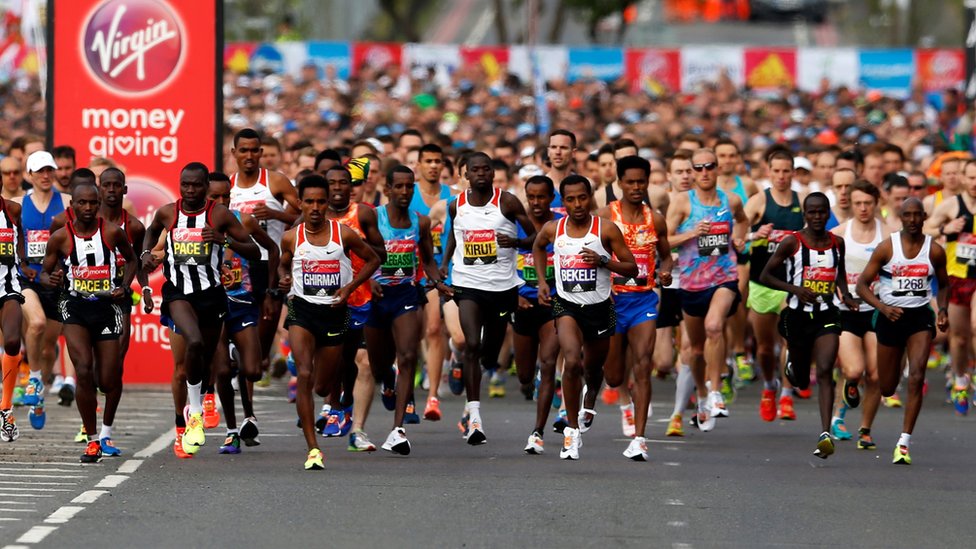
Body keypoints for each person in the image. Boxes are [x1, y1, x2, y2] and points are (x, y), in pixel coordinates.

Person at [141, 162, 261, 457]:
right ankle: (194, 411)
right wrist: (145, 253)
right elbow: (151, 231)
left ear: (206, 186)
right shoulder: (168, 212)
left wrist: (225, 240)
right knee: (192, 341)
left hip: (211, 295)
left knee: (205, 358)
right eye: (185, 185)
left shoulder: (219, 215)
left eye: (196, 185)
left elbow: (255, 252)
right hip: (178, 292)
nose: (190, 190)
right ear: (179, 184)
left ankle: (198, 402)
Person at [277, 174, 379, 470]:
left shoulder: (343, 234)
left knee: (323, 387)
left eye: (321, 201)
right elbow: (284, 261)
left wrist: (350, 287)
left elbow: (373, 260)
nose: (316, 207)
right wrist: (284, 278)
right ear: (300, 203)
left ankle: (335, 405)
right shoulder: (291, 236)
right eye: (309, 201)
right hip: (302, 312)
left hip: (335, 313)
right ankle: (313, 449)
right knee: (305, 374)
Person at [533, 175, 637, 460]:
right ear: (562, 201)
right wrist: (543, 281)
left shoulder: (606, 229)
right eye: (570, 199)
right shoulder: (554, 229)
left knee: (594, 369)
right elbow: (538, 246)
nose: (577, 204)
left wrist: (603, 261)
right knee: (572, 360)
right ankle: (572, 429)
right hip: (566, 306)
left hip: (601, 308)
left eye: (582, 198)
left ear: (590, 197)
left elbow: (633, 269)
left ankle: (590, 398)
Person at [51, 168, 151, 453]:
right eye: (105, 185)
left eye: (115, 186)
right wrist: (56, 279)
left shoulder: (130, 228)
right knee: (84, 370)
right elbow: (52, 262)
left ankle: (106, 429)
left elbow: (137, 261)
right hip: (77, 304)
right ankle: (92, 433)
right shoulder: (63, 225)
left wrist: (137, 288)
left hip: (115, 303)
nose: (110, 191)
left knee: (110, 372)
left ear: (123, 190)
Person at [442, 152, 535, 445]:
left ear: (493, 174)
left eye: (486, 169)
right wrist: (445, 265)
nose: (481, 174)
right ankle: (475, 417)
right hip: (467, 285)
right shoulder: (456, 205)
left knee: (489, 355)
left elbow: (536, 237)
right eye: (475, 170)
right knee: (472, 343)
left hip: (502, 289)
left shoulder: (506, 202)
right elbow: (454, 238)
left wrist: (518, 242)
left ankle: (465, 364)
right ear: (465, 175)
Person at [760, 192, 855, 459]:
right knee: (801, 380)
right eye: (811, 212)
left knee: (825, 369)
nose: (817, 217)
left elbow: (841, 275)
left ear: (828, 213)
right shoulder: (792, 242)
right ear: (805, 214)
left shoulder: (838, 243)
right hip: (797, 316)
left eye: (821, 212)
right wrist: (795, 289)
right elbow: (766, 275)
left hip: (827, 314)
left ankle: (825, 434)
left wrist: (845, 295)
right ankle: (792, 364)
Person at [857, 197, 949, 465]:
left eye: (916, 215)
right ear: (900, 217)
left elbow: (944, 285)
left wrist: (942, 310)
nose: (912, 220)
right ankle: (890, 375)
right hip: (889, 317)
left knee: (917, 375)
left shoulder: (935, 251)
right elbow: (862, 285)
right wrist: (882, 308)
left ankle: (904, 442)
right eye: (907, 215)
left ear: (924, 217)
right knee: (886, 386)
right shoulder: (887, 248)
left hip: (919, 317)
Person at [366, 166, 447, 455]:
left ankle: (397, 429)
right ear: (387, 189)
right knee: (378, 365)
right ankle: (388, 379)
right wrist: (366, 282)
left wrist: (440, 282)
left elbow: (428, 260)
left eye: (408, 187)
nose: (404, 192)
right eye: (398, 187)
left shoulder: (420, 222)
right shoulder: (372, 217)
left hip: (405, 294)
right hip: (375, 295)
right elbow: (355, 253)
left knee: (409, 354)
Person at [596, 156, 673, 461]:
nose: (637, 187)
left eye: (642, 181)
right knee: (614, 377)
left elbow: (667, 256)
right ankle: (624, 403)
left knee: (643, 365)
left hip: (643, 300)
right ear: (620, 183)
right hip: (613, 300)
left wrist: (665, 271)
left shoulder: (656, 220)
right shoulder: (604, 216)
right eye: (630, 181)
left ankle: (640, 438)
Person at [667, 148, 747, 432]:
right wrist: (691, 233)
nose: (703, 173)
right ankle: (701, 393)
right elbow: (664, 239)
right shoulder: (681, 202)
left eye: (708, 167)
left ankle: (715, 391)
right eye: (697, 168)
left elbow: (743, 219)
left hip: (723, 277)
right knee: (695, 350)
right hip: (691, 284)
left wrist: (740, 239)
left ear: (716, 169)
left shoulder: (731, 199)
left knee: (715, 327)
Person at [207, 173, 279, 454]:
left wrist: (272, 291)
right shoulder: (193, 225)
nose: (222, 201)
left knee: (253, 369)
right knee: (222, 370)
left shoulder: (243, 220)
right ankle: (232, 431)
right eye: (215, 197)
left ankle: (248, 411)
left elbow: (270, 249)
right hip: (212, 304)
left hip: (243, 303)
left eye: (227, 196)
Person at [229, 128, 299, 388]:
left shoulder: (275, 182)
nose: (249, 155)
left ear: (260, 152)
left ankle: (259, 364)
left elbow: (308, 217)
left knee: (261, 348)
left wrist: (277, 214)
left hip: (271, 265)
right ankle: (239, 377)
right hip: (239, 269)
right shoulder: (229, 186)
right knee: (240, 333)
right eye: (243, 150)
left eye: (254, 150)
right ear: (234, 153)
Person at [744, 150, 805, 422]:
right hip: (761, 283)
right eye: (776, 171)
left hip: (790, 284)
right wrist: (754, 235)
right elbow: (736, 238)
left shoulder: (801, 203)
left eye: (786, 171)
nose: (781, 176)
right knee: (765, 348)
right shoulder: (759, 201)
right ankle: (770, 386)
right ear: (769, 172)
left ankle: (786, 394)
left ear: (793, 173)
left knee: (790, 339)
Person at [14, 151, 73, 428]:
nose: (46, 175)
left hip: (57, 281)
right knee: (35, 324)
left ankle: (38, 397)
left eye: (50, 170)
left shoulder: (68, 203)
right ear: (30, 175)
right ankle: (34, 379)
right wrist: (21, 263)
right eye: (40, 171)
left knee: (50, 348)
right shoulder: (17, 205)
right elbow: (10, 240)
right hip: (28, 280)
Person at [829, 181, 889, 447]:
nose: (863, 208)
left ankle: (865, 429)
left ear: (876, 203)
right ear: (850, 204)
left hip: (877, 311)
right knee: (854, 370)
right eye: (858, 203)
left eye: (868, 203)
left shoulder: (889, 235)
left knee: (876, 375)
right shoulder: (839, 234)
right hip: (846, 310)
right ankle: (843, 402)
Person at [513, 175, 561, 455]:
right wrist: (514, 294)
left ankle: (537, 432)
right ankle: (527, 383)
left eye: (541, 196)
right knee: (524, 375)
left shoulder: (560, 227)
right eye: (531, 197)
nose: (536, 202)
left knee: (549, 363)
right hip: (523, 304)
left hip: (553, 304)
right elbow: (502, 262)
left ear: (551, 196)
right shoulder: (516, 223)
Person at [924, 158, 976, 415]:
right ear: (964, 180)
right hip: (957, 277)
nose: (975, 183)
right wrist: (946, 228)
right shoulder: (951, 205)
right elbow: (926, 227)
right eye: (971, 178)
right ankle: (959, 379)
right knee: (958, 336)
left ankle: (972, 373)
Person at [408, 144, 454, 417]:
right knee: (411, 335)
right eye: (429, 161)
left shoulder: (452, 197)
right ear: (419, 165)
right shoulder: (407, 193)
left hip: (439, 272)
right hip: (409, 272)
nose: (434, 166)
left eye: (438, 161)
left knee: (435, 329)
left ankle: (433, 396)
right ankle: (405, 386)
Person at [0, 192, 27, 442]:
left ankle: (5, 408)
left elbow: (20, 239)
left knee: (11, 342)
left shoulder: (13, 210)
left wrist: (23, 261)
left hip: (8, 286)